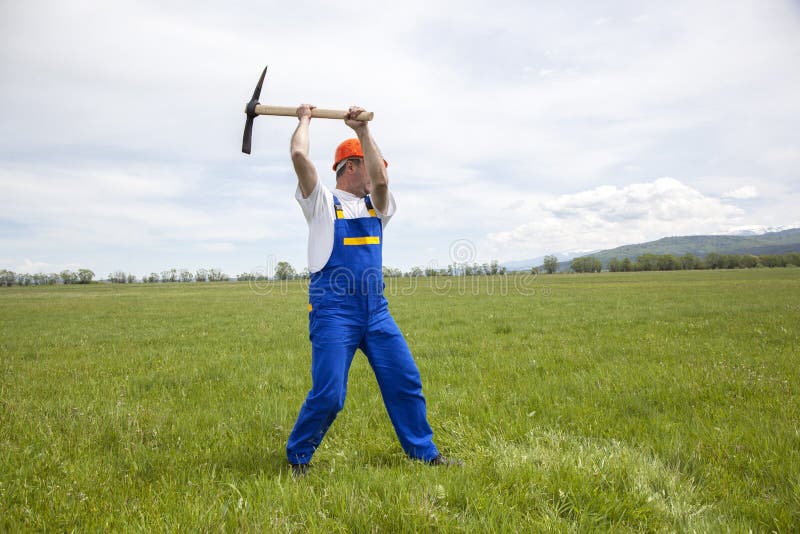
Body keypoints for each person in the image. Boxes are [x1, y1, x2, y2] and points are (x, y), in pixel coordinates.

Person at [285, 104, 459, 476]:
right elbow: (299, 155)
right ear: (351, 167)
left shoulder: (377, 206)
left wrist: (363, 132)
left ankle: (424, 453)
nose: (380, 173)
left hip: (376, 311)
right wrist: (304, 119)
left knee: (404, 380)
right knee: (330, 394)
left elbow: (381, 184)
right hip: (334, 311)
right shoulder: (321, 204)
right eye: (371, 165)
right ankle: (298, 456)